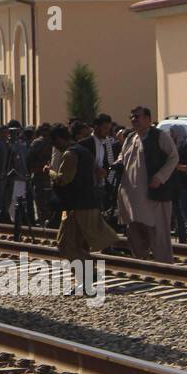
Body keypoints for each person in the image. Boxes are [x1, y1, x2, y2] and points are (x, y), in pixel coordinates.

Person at [51, 122, 119, 294]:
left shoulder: (70, 154)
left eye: (54, 142)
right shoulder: (84, 151)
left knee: (65, 244)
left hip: (75, 207)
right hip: (89, 203)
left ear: (59, 139)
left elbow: (63, 179)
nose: (54, 147)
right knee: (80, 246)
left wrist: (49, 172)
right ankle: (85, 283)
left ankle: (89, 275)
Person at [117, 107, 179, 261]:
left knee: (158, 233)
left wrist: (160, 177)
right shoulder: (131, 138)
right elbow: (122, 157)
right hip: (131, 198)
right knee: (134, 233)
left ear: (148, 119)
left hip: (153, 196)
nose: (133, 119)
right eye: (131, 116)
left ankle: (164, 266)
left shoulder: (160, 136)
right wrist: (117, 163)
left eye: (137, 116)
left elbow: (173, 158)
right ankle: (142, 264)